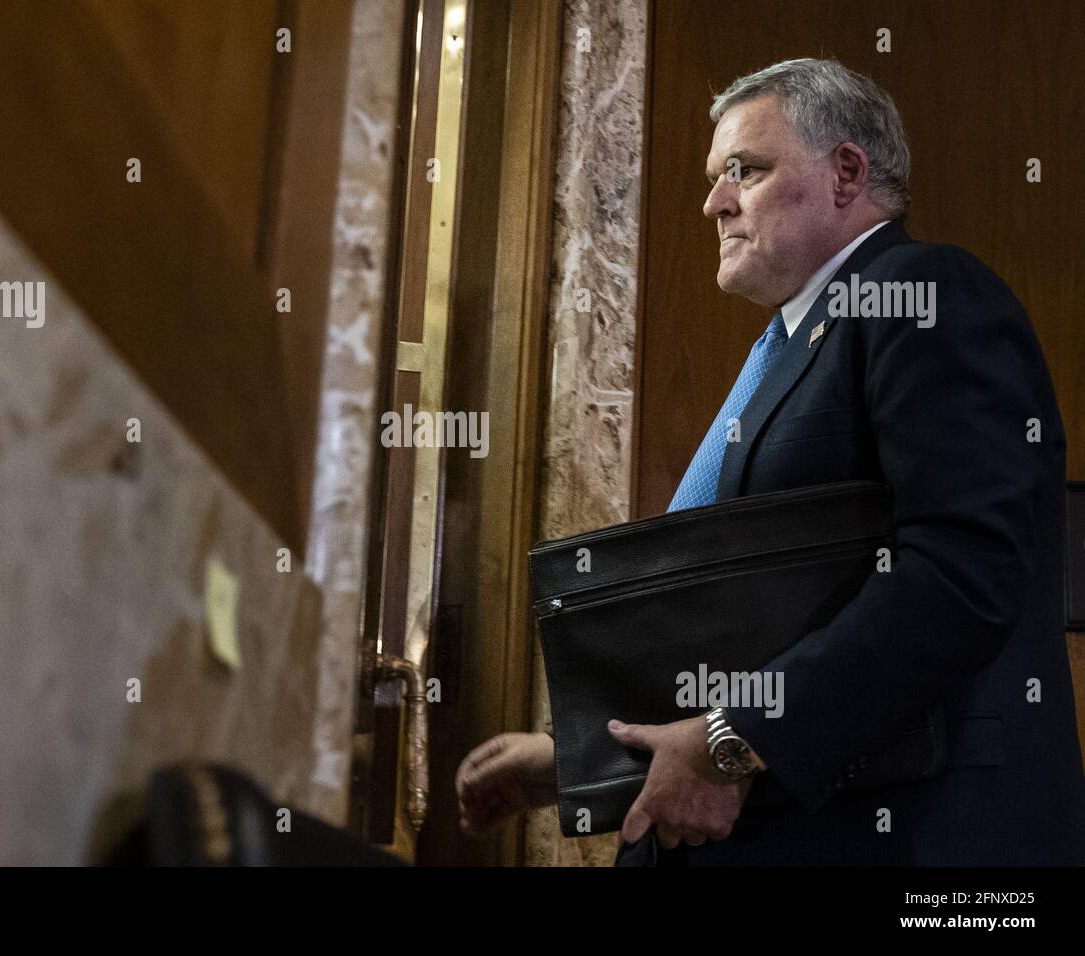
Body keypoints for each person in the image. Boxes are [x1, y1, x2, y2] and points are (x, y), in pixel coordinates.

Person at [456, 58, 1085, 866]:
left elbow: (960, 574)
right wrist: (583, 760)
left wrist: (733, 741)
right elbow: (756, 623)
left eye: (744, 171)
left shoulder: (923, 292)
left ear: (846, 173)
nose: (713, 202)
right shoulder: (795, 345)